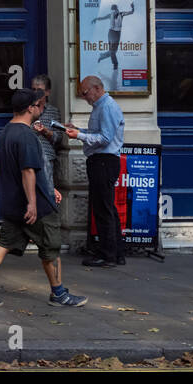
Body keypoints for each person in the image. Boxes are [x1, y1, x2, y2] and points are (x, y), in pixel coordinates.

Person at [0, 89, 87, 309]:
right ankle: (59, 294)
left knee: (4, 242)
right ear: (30, 108)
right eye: (40, 106)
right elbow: (28, 171)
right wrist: (33, 203)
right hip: (36, 205)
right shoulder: (26, 135)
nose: (42, 109)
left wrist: (49, 188)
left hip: (12, 202)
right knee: (51, 246)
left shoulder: (6, 131)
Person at [66, 76, 125, 268]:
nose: (84, 97)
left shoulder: (106, 107)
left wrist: (80, 135)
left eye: (85, 93)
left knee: (103, 209)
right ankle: (116, 253)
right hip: (102, 161)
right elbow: (97, 132)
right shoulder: (101, 107)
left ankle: (108, 255)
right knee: (107, 207)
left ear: (97, 88)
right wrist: (78, 130)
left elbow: (105, 138)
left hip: (104, 161)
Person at [29, 74, 67, 212]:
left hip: (47, 157)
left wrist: (46, 131)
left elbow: (58, 138)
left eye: (39, 90)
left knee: (47, 191)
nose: (35, 93)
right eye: (33, 89)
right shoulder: (28, 109)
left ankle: (47, 221)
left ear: (47, 92)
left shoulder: (53, 111)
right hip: (29, 156)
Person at [92, 1, 136, 70]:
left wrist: (133, 7)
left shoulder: (121, 14)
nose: (114, 11)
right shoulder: (111, 15)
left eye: (115, 10)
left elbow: (131, 12)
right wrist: (96, 19)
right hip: (111, 33)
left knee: (113, 51)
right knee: (112, 51)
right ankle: (115, 64)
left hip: (117, 34)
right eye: (113, 10)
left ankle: (102, 56)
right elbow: (102, 18)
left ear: (117, 9)